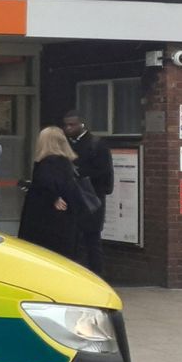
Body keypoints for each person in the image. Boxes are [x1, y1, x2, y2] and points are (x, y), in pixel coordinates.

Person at [18, 126, 83, 258]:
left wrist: (53, 197)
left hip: (45, 222)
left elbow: (45, 184)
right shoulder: (66, 163)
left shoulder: (47, 163)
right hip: (65, 223)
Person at [64, 110, 115, 275]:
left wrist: (81, 172)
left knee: (92, 240)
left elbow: (104, 171)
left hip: (92, 198)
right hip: (75, 198)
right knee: (74, 240)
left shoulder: (96, 144)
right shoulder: (67, 143)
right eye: (66, 125)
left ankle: (97, 274)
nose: (68, 128)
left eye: (72, 125)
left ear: (82, 124)